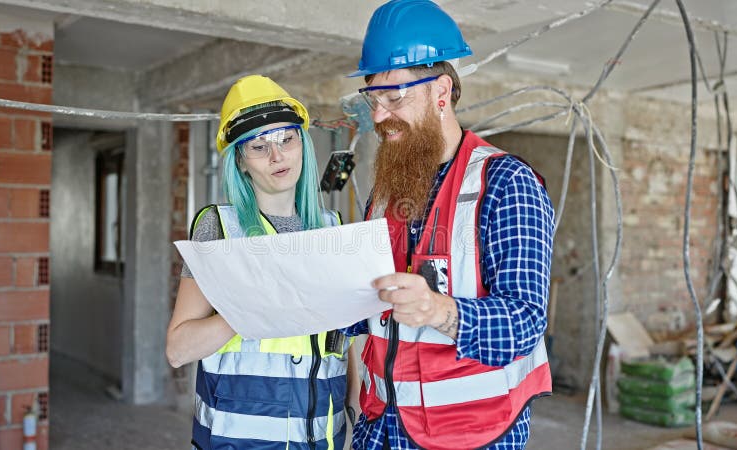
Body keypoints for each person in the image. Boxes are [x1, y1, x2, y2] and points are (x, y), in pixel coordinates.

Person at [341, 1, 555, 449]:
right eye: (373, 99)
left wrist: (440, 311)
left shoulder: (506, 182)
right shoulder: (385, 191)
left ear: (441, 90)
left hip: (474, 432)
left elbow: (526, 322)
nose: (379, 116)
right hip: (380, 426)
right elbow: (368, 309)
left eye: (394, 98)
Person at [166, 74, 358, 450]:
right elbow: (178, 350)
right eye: (258, 146)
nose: (277, 156)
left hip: (324, 439)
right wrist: (252, 308)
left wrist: (356, 417)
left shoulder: (333, 230)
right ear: (240, 161)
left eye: (286, 139)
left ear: (302, 143)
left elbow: (347, 344)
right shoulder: (220, 228)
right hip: (239, 441)